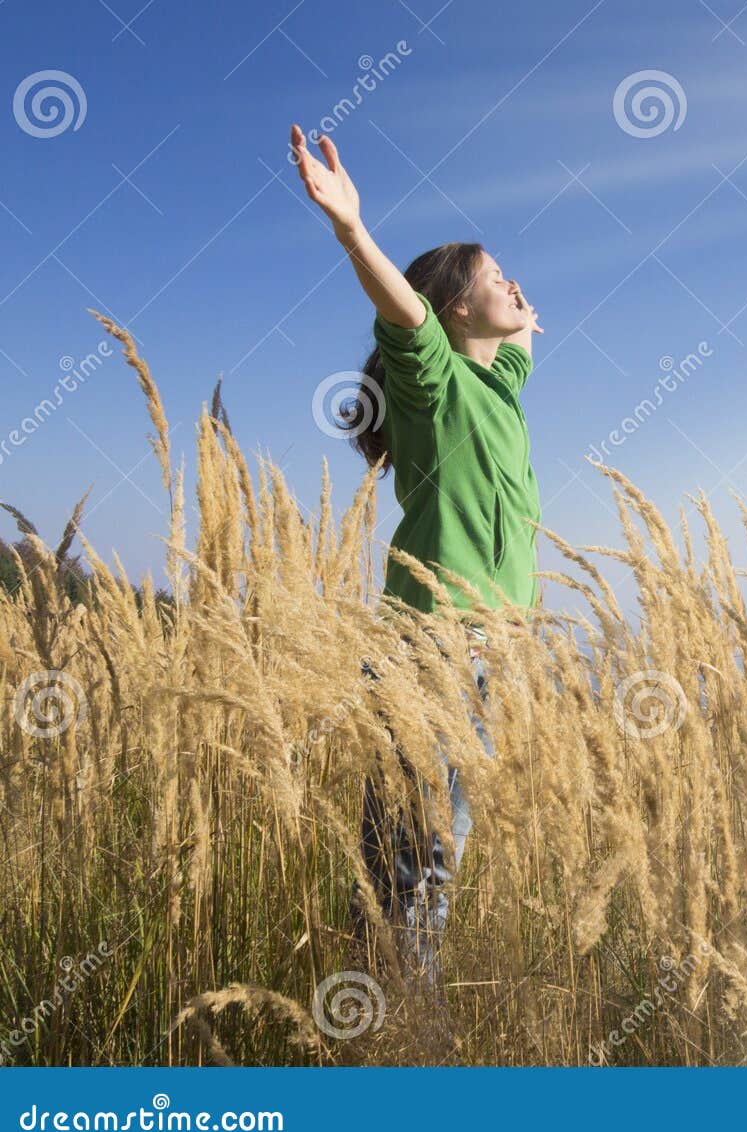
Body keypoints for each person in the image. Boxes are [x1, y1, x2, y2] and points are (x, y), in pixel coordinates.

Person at [289, 122, 543, 986]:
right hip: (429, 651)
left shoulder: (499, 387)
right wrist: (352, 229)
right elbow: (404, 313)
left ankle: (387, 1005)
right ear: (454, 309)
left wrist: (523, 320)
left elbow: (517, 349)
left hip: (488, 655)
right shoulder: (431, 380)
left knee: (439, 858)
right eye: (494, 276)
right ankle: (398, 1017)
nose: (512, 283)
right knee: (414, 864)